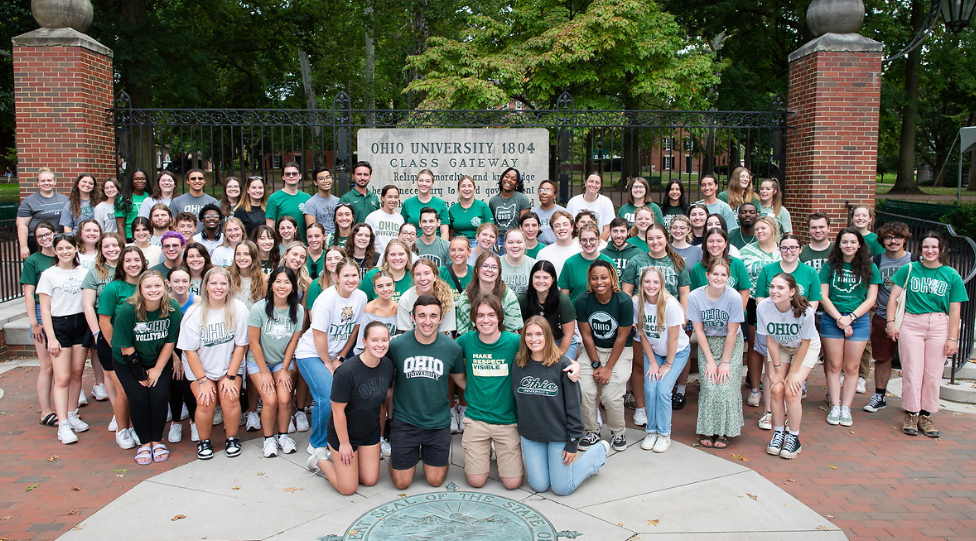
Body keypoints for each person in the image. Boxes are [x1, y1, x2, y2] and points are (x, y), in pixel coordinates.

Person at [514, 316, 608, 495]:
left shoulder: (564, 366)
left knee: (562, 488)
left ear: (548, 336)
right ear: (523, 338)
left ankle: (598, 453)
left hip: (558, 435)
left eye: (539, 334)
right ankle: (554, 468)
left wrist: (572, 442)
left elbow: (574, 407)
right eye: (529, 335)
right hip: (531, 435)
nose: (534, 339)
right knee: (539, 486)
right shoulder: (519, 364)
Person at [887, 232, 967, 438]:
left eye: (934, 247)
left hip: (939, 324)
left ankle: (926, 414)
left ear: (941, 250)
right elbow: (893, 298)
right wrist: (891, 324)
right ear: (920, 249)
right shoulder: (909, 269)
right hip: (912, 323)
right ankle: (912, 413)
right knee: (912, 371)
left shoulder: (951, 275)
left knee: (932, 374)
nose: (930, 251)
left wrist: (953, 338)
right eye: (925, 247)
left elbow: (955, 309)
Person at [386, 295, 465, 489]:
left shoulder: (451, 348)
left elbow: (462, 382)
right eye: (422, 316)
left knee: (435, 481)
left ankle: (425, 454)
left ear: (440, 318)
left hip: (437, 423)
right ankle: (400, 456)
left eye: (433, 316)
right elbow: (385, 382)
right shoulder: (396, 345)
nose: (427, 321)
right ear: (413, 318)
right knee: (402, 483)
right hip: (406, 421)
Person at [308, 321, 395, 495]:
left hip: (369, 431)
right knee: (348, 488)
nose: (380, 345)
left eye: (384, 340)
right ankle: (320, 460)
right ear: (364, 341)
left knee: (369, 480)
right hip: (344, 434)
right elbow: (337, 411)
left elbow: (385, 400)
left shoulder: (387, 365)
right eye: (374, 340)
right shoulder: (347, 371)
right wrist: (344, 444)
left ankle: (350, 462)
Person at [295, 258, 366, 455]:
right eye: (346, 276)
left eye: (354, 275)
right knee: (326, 396)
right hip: (311, 353)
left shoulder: (360, 297)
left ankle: (340, 436)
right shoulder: (326, 299)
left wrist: (341, 358)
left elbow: (355, 329)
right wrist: (328, 363)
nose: (351, 280)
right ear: (336, 277)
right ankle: (317, 444)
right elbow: (318, 334)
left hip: (335, 355)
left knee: (347, 395)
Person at [112, 270, 183, 464]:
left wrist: (158, 370)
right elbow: (125, 346)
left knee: (159, 396)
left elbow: (170, 343)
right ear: (140, 289)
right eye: (148, 286)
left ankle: (156, 441)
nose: (154, 290)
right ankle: (144, 443)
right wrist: (140, 373)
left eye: (158, 285)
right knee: (139, 397)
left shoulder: (173, 308)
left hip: (158, 358)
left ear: (165, 286)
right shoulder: (128, 309)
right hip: (129, 361)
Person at [178, 267, 250, 459]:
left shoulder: (238, 308)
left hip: (229, 366)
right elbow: (189, 351)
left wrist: (231, 376)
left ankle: (232, 438)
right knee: (206, 400)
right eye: (214, 283)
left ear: (229, 286)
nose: (219, 287)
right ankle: (204, 441)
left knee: (230, 397)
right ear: (206, 287)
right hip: (200, 369)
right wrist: (202, 380)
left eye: (223, 283)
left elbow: (240, 346)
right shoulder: (194, 313)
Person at [454, 295, 524, 490]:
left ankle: (497, 450)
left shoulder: (514, 341)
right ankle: (485, 451)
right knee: (476, 481)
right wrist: (468, 386)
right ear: (474, 319)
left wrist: (571, 363)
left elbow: (545, 351)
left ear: (500, 317)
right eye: (481, 315)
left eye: (491, 315)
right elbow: (446, 355)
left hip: (506, 420)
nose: (486, 320)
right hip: (477, 419)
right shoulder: (466, 341)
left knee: (512, 483)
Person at [819, 228, 881, 428]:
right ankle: (835, 405)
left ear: (859, 244)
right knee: (834, 365)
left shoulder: (870, 267)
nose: (848, 246)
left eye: (852, 242)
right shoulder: (829, 266)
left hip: (859, 320)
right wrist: (840, 318)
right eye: (844, 242)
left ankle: (846, 407)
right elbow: (823, 296)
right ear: (838, 245)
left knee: (852, 367)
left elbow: (871, 298)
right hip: (832, 319)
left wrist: (851, 317)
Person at [37, 234, 92, 444]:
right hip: (59, 326)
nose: (65, 252)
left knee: (77, 373)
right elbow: (44, 308)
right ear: (55, 251)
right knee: (62, 378)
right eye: (60, 248)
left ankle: (72, 413)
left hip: (80, 324)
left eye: (69, 247)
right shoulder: (49, 275)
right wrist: (50, 337)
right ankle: (62, 424)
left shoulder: (84, 272)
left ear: (76, 248)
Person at [758, 274, 820, 459]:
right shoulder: (764, 307)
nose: (774, 291)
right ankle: (778, 433)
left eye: (780, 288)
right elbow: (770, 339)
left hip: (804, 347)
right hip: (780, 346)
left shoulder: (806, 311)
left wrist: (793, 373)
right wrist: (776, 370)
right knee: (776, 388)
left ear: (792, 292)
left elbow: (806, 342)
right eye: (772, 287)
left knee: (792, 390)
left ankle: (794, 438)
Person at [575, 259, 633, 452]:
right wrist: (596, 364)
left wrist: (607, 368)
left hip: (620, 350)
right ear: (589, 280)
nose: (599, 282)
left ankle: (618, 432)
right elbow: (586, 335)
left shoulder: (624, 301)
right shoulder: (583, 301)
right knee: (584, 389)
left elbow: (622, 338)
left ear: (612, 278)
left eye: (603, 277)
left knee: (610, 396)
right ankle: (592, 431)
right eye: (594, 278)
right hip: (594, 350)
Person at [688, 259, 746, 449]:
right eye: (715, 274)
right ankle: (707, 428)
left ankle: (723, 432)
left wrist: (725, 362)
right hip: (708, 344)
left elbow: (732, 332)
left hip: (731, 343)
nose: (718, 278)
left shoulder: (734, 297)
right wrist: (711, 361)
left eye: (723, 275)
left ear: (728, 278)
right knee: (710, 385)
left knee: (726, 384)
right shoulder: (695, 297)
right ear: (707, 275)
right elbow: (699, 331)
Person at [247, 267, 304, 457]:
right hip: (258, 362)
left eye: (287, 282)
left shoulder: (298, 309)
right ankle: (268, 439)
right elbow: (253, 343)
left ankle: (283, 436)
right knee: (270, 401)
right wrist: (264, 372)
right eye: (278, 281)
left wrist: (285, 369)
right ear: (271, 285)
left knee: (285, 398)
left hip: (281, 362)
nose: (282, 286)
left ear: (293, 287)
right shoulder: (259, 308)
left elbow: (294, 341)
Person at [633, 267, 690, 453]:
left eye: (655, 282)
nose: (651, 286)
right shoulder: (638, 303)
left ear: (661, 284)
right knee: (650, 387)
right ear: (641, 284)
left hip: (676, 353)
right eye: (647, 282)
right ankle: (651, 431)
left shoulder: (671, 304)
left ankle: (664, 434)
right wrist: (654, 362)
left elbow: (673, 338)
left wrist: (667, 364)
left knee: (664, 390)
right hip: (654, 352)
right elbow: (642, 334)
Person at [84, 238, 135, 446]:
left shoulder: (146, 284)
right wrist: (118, 347)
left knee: (136, 390)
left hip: (139, 345)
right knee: (123, 389)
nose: (133, 264)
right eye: (129, 260)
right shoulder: (112, 288)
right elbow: (104, 320)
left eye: (137, 260)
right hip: (114, 346)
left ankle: (136, 427)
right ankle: (123, 429)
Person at [863, 222, 915, 413]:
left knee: (912, 360)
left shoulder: (914, 261)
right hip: (883, 315)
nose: (893, 241)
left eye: (898, 237)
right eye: (888, 238)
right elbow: (867, 284)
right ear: (883, 240)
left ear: (904, 239)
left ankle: (912, 400)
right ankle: (879, 395)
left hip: (910, 318)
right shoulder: (875, 261)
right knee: (882, 357)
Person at [739, 215, 781, 409]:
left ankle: (776, 386)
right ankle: (755, 388)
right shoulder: (746, 251)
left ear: (773, 229)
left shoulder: (783, 251)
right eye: (757, 229)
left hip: (780, 305)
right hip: (754, 304)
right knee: (757, 346)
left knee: (777, 348)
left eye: (763, 228)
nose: (759, 232)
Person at [21, 222, 59, 427]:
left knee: (62, 367)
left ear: (54, 234)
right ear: (36, 239)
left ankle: (64, 409)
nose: (45, 238)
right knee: (47, 366)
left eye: (48, 234)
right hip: (41, 313)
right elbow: (28, 294)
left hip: (61, 312)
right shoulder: (33, 261)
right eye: (40, 236)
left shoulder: (62, 253)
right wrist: (34, 323)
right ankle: (46, 411)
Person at [166, 266, 199, 443]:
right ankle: (176, 422)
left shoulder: (197, 301)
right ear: (168, 283)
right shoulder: (163, 301)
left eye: (184, 281)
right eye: (176, 281)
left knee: (190, 385)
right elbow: (164, 334)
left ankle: (194, 422)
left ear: (190, 283)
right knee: (176, 384)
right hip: (170, 350)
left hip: (191, 350)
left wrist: (186, 356)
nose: (180, 284)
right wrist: (174, 357)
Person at [519, 260, 577, 358]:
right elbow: (520, 329)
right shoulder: (524, 299)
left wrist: (557, 358)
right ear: (531, 278)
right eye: (537, 277)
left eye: (545, 277)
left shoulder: (563, 301)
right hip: (533, 341)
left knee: (561, 369)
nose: (541, 281)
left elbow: (568, 334)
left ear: (553, 279)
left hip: (559, 341)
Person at [456, 251, 523, 335]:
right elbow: (464, 333)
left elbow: (512, 331)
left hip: (502, 342)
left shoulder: (508, 295)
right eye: (485, 266)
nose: (489, 270)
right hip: (474, 343)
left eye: (494, 267)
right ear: (476, 270)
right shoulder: (466, 297)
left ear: (499, 272)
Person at [17, 168, 69, 257]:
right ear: (38, 183)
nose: (46, 183)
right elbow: (22, 225)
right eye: (43, 181)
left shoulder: (64, 199)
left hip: (58, 240)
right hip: (37, 242)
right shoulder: (29, 201)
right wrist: (24, 246)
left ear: (54, 182)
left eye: (49, 180)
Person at [397, 258, 456, 334]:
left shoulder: (447, 298)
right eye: (418, 274)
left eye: (427, 273)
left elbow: (443, 334)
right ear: (414, 279)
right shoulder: (405, 299)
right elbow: (407, 334)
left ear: (434, 276)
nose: (422, 278)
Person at [560, 223, 615, 301]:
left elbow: (615, 291)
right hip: (576, 311)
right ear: (579, 241)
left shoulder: (609, 262)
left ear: (599, 240)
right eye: (584, 240)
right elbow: (564, 295)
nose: (588, 243)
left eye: (592, 239)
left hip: (602, 311)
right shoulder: (570, 263)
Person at [265, 162, 311, 241]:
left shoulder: (307, 198)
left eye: (294, 173)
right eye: (287, 174)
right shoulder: (274, 198)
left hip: (303, 244)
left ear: (300, 176)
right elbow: (270, 228)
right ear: (283, 177)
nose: (291, 176)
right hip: (283, 246)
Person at [400, 169, 449, 239]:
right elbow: (403, 229)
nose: (424, 184)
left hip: (434, 245)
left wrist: (442, 248)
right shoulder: (407, 203)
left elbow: (444, 231)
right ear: (417, 182)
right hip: (413, 244)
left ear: (432, 183)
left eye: (428, 181)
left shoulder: (440, 204)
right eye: (421, 180)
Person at [489, 167, 531, 245]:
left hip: (515, 239)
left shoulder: (522, 199)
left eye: (513, 179)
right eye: (507, 176)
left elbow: (524, 223)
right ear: (502, 178)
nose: (508, 180)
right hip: (497, 240)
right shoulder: (493, 200)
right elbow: (492, 224)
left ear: (517, 184)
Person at [567, 172, 615, 240]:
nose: (594, 185)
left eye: (597, 182)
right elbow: (568, 227)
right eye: (591, 181)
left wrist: (596, 245)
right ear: (585, 182)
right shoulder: (573, 202)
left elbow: (607, 230)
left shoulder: (606, 202)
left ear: (600, 185)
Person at [169, 169, 218, 234]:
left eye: (200, 178)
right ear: (187, 181)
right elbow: (171, 224)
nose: (197, 181)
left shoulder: (213, 202)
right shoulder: (177, 201)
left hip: (206, 240)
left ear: (204, 181)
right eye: (193, 179)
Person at [448, 175, 493, 245]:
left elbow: (491, 228)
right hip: (459, 244)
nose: (466, 189)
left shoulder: (482, 206)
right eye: (463, 186)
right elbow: (451, 233)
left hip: (479, 244)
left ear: (474, 189)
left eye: (469, 186)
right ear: (458, 189)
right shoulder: (453, 209)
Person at [536, 210, 579, 277]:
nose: (561, 228)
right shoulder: (543, 254)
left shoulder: (581, 250)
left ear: (572, 227)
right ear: (553, 230)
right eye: (557, 226)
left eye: (565, 224)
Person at [603, 217, 644, 282]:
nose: (618, 235)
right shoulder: (602, 254)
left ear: (628, 232)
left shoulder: (638, 254)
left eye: (622, 231)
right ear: (610, 232)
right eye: (615, 231)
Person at [365, 185, 404, 253]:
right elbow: (368, 241)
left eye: (396, 197)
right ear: (382, 198)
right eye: (390, 197)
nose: (393, 200)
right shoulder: (372, 217)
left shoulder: (400, 218)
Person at [230, 240, 266, 309]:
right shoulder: (228, 276)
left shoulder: (263, 279)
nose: (241, 258)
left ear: (254, 257)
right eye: (238, 254)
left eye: (246, 254)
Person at [115, 170, 150, 240]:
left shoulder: (150, 196)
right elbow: (120, 225)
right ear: (131, 181)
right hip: (130, 236)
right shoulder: (123, 198)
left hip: (147, 235)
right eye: (136, 179)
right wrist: (124, 244)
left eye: (142, 179)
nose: (140, 181)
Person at [500, 228, 536, 296]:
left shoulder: (534, 265)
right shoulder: (496, 264)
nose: (515, 246)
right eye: (510, 242)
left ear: (525, 243)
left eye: (519, 242)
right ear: (505, 244)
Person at [531, 179, 567, 245]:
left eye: (548, 190)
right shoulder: (532, 213)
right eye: (541, 190)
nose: (544, 193)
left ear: (555, 195)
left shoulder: (563, 212)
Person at [439, 236, 473, 303]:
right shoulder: (441, 273)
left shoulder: (475, 273)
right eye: (453, 250)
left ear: (469, 252)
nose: (457, 254)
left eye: (461, 250)